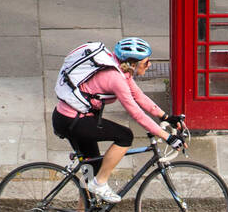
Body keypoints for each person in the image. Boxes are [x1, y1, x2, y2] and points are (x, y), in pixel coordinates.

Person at [52, 37, 183, 203]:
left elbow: (139, 96)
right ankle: (100, 184)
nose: (149, 65)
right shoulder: (116, 78)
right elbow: (137, 114)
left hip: (71, 117)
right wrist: (168, 137)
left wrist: (166, 117)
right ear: (132, 64)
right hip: (73, 121)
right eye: (146, 62)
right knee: (125, 136)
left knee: (92, 169)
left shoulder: (121, 70)